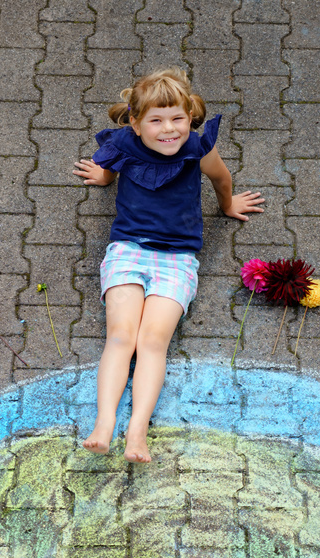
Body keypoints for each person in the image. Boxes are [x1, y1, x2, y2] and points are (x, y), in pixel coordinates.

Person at [73, 68, 264, 463]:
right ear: (135, 124)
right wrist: (104, 178)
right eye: (156, 121)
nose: (169, 130)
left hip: (177, 259)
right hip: (128, 250)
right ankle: (104, 424)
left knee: (152, 342)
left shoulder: (197, 147)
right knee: (121, 337)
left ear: (190, 115)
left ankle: (137, 431)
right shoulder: (123, 143)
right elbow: (111, 165)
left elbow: (221, 178)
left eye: (177, 118)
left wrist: (228, 207)